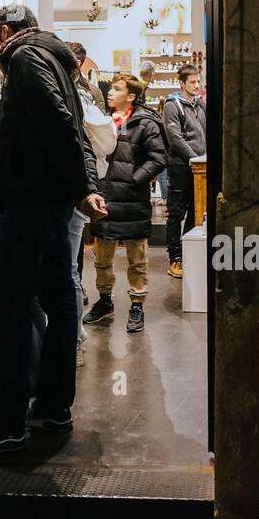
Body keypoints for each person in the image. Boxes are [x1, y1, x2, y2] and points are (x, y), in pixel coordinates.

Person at [0, 6, 106, 455]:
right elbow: (75, 130)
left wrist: (81, 187)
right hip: (52, 201)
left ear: (3, 32)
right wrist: (82, 187)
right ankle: (53, 408)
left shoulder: (24, 58)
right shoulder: (58, 60)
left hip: (30, 201)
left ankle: (2, 422)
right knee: (58, 302)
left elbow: (58, 123)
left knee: (11, 303)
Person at [83, 72, 167, 334]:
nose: (109, 92)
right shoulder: (103, 122)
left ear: (131, 96)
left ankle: (137, 305)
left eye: (116, 89)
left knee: (137, 259)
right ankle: (105, 300)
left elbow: (158, 158)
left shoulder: (146, 123)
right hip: (106, 200)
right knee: (102, 259)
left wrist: (134, 180)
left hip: (132, 201)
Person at [67, 42, 117, 366]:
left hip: (71, 191)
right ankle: (71, 336)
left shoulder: (77, 96)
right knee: (69, 267)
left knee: (67, 268)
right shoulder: (83, 93)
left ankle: (71, 338)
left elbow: (85, 144)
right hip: (79, 187)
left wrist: (88, 188)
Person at [163, 64, 207, 278]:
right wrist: (195, 158)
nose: (197, 85)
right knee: (176, 212)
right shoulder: (173, 106)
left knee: (195, 211)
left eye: (198, 81)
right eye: (192, 82)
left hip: (199, 169)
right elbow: (175, 138)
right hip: (181, 168)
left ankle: (189, 253)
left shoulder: (201, 104)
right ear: (182, 83)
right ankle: (175, 258)